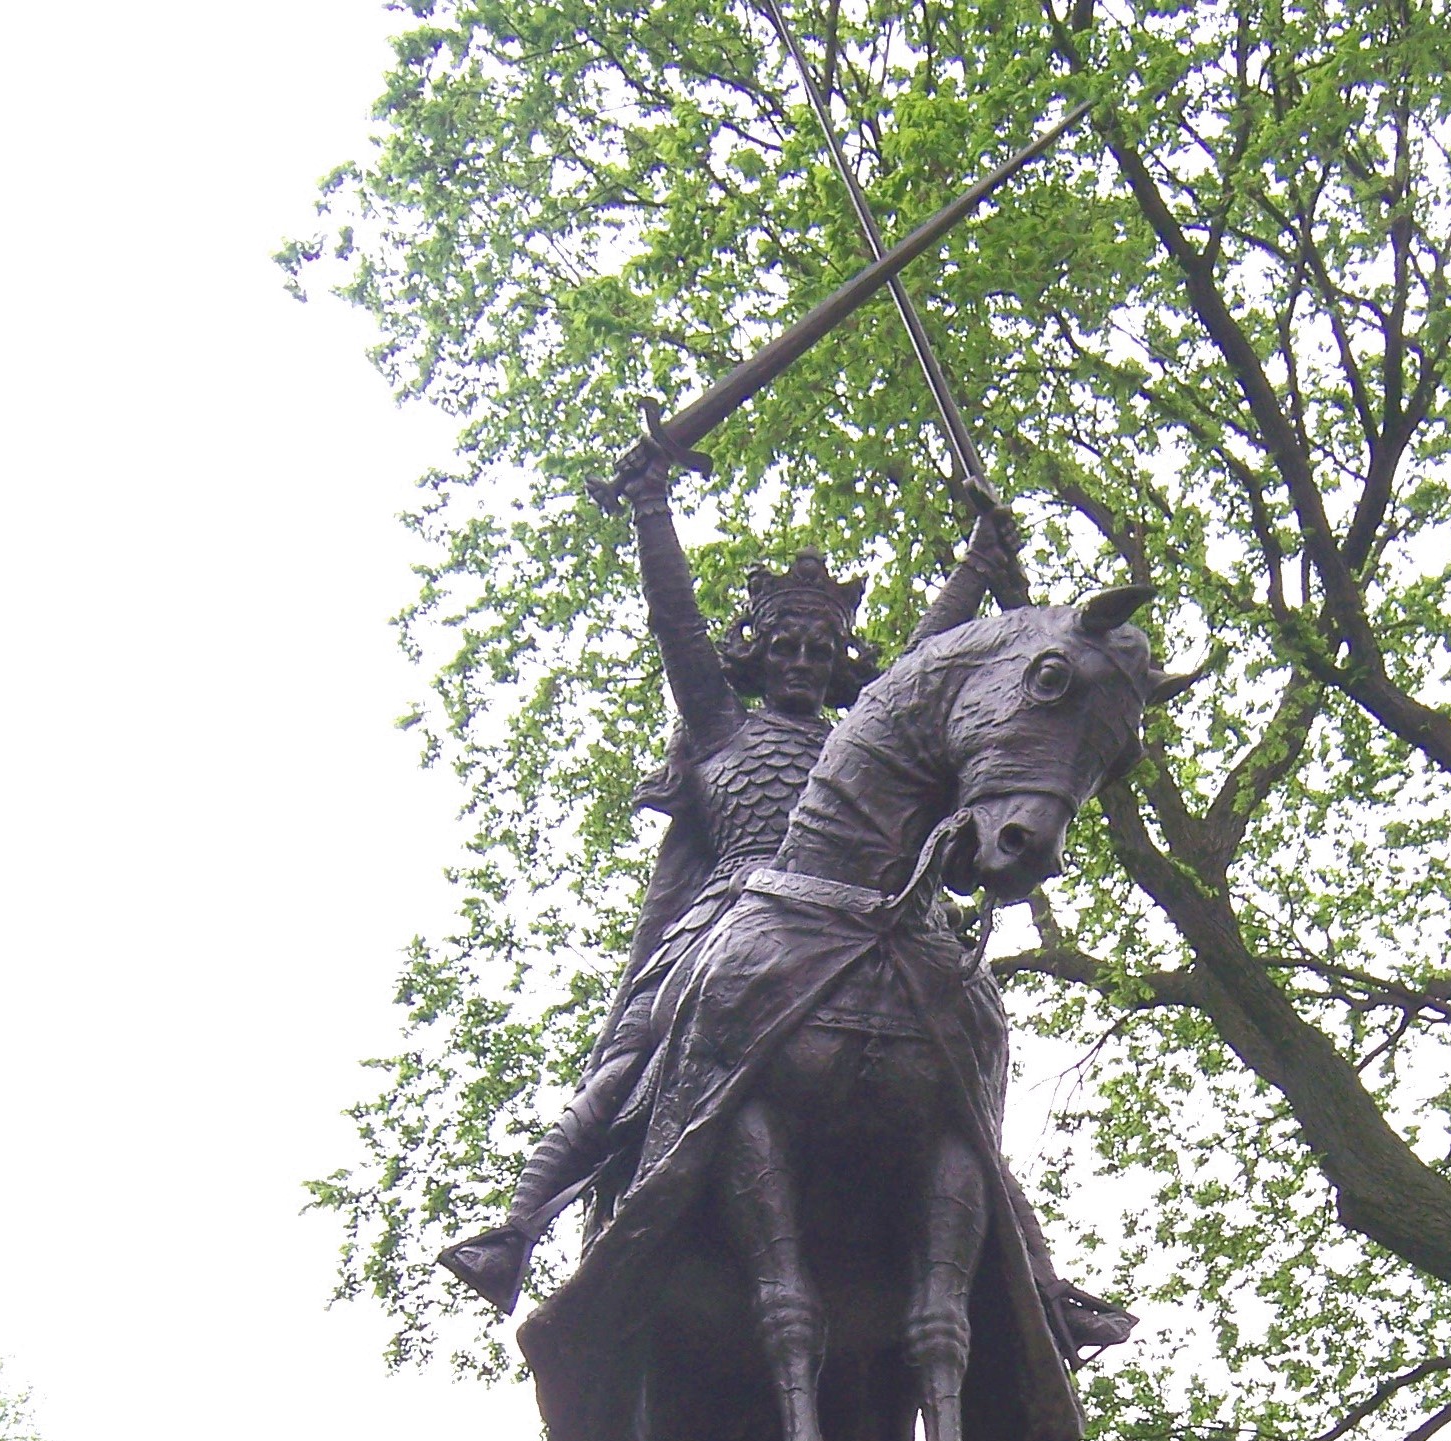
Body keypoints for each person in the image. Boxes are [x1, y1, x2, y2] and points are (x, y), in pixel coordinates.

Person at [440, 444, 1132, 1366]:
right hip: (731, 917)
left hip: (872, 916)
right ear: (758, 658)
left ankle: (1043, 1288)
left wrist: (976, 563)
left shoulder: (868, 733)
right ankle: (516, 1229)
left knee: (966, 1080)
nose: (803, 661)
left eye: (819, 649)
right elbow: (676, 624)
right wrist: (651, 506)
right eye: (786, 648)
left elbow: (933, 656)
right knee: (640, 1047)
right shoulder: (721, 725)